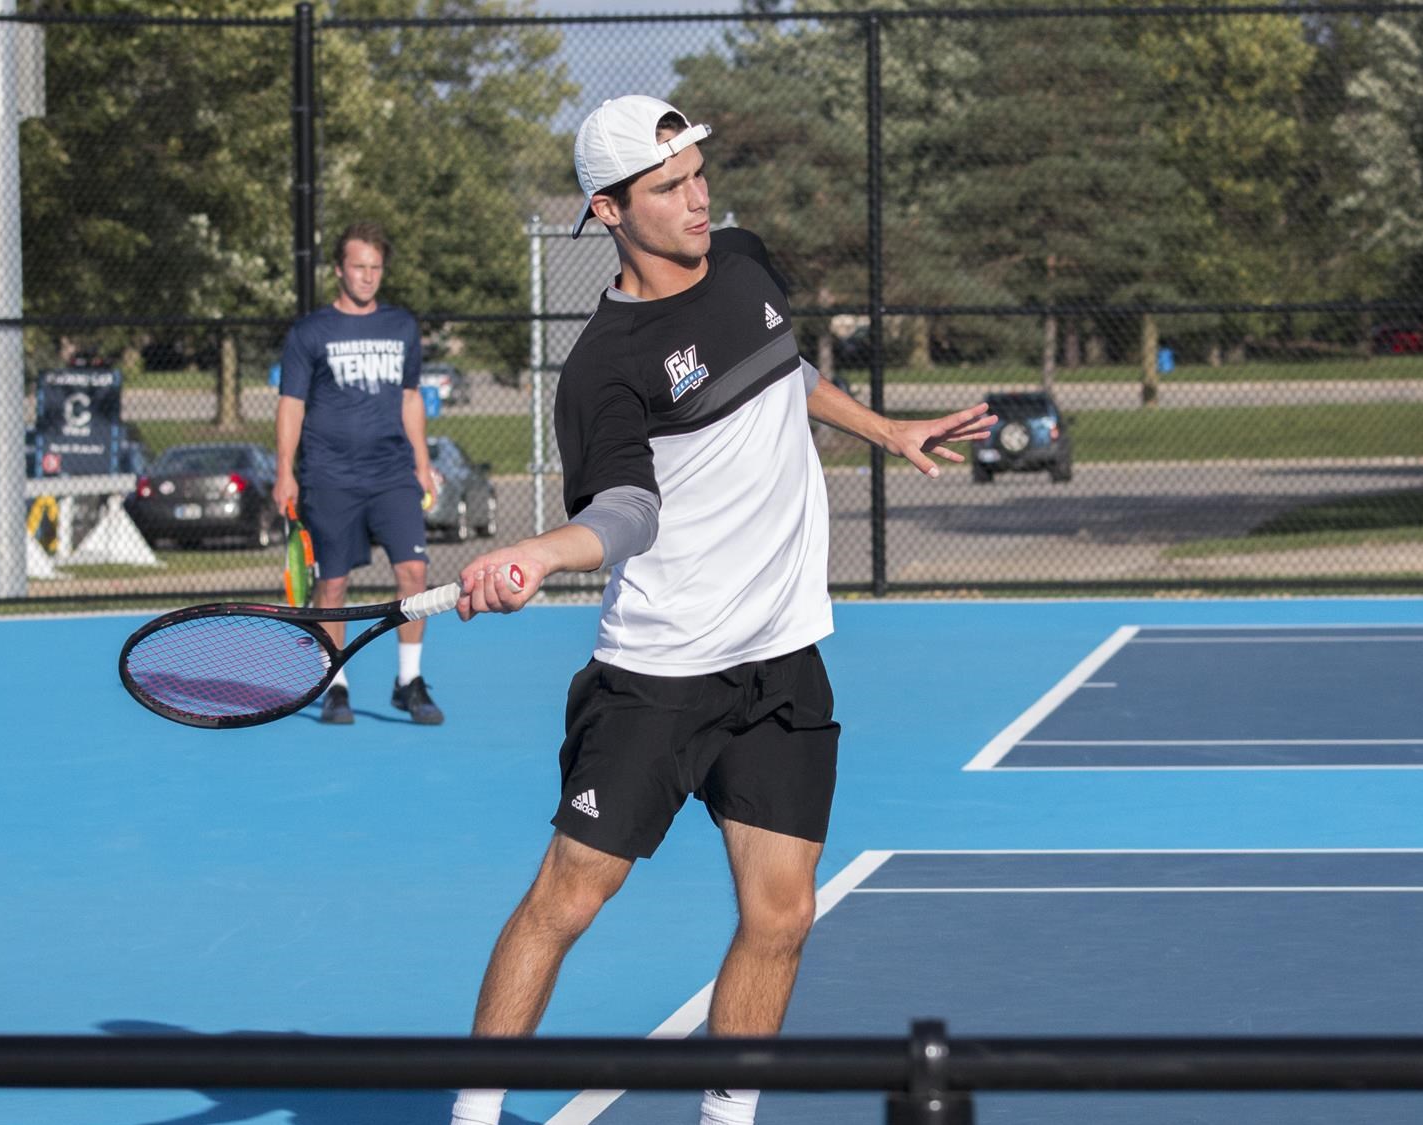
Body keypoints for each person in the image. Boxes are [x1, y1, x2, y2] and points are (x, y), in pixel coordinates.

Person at [444, 95, 994, 1125]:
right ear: (609, 210)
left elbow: (781, 362)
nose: (697, 199)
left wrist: (885, 429)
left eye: (698, 174)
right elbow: (625, 511)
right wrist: (540, 552)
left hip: (781, 658)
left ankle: (726, 1117)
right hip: (659, 672)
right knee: (566, 900)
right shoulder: (602, 368)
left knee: (781, 916)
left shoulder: (743, 263)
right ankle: (473, 1115)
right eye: (668, 187)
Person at [273, 221, 445, 726]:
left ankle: (409, 681)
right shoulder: (310, 332)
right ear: (338, 270)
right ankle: (335, 685)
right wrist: (284, 472)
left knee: (414, 574)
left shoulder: (401, 326)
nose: (368, 276)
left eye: (376, 267)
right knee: (332, 585)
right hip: (329, 476)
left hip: (392, 474)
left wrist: (422, 464)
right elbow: (291, 405)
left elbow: (410, 398)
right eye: (358, 267)